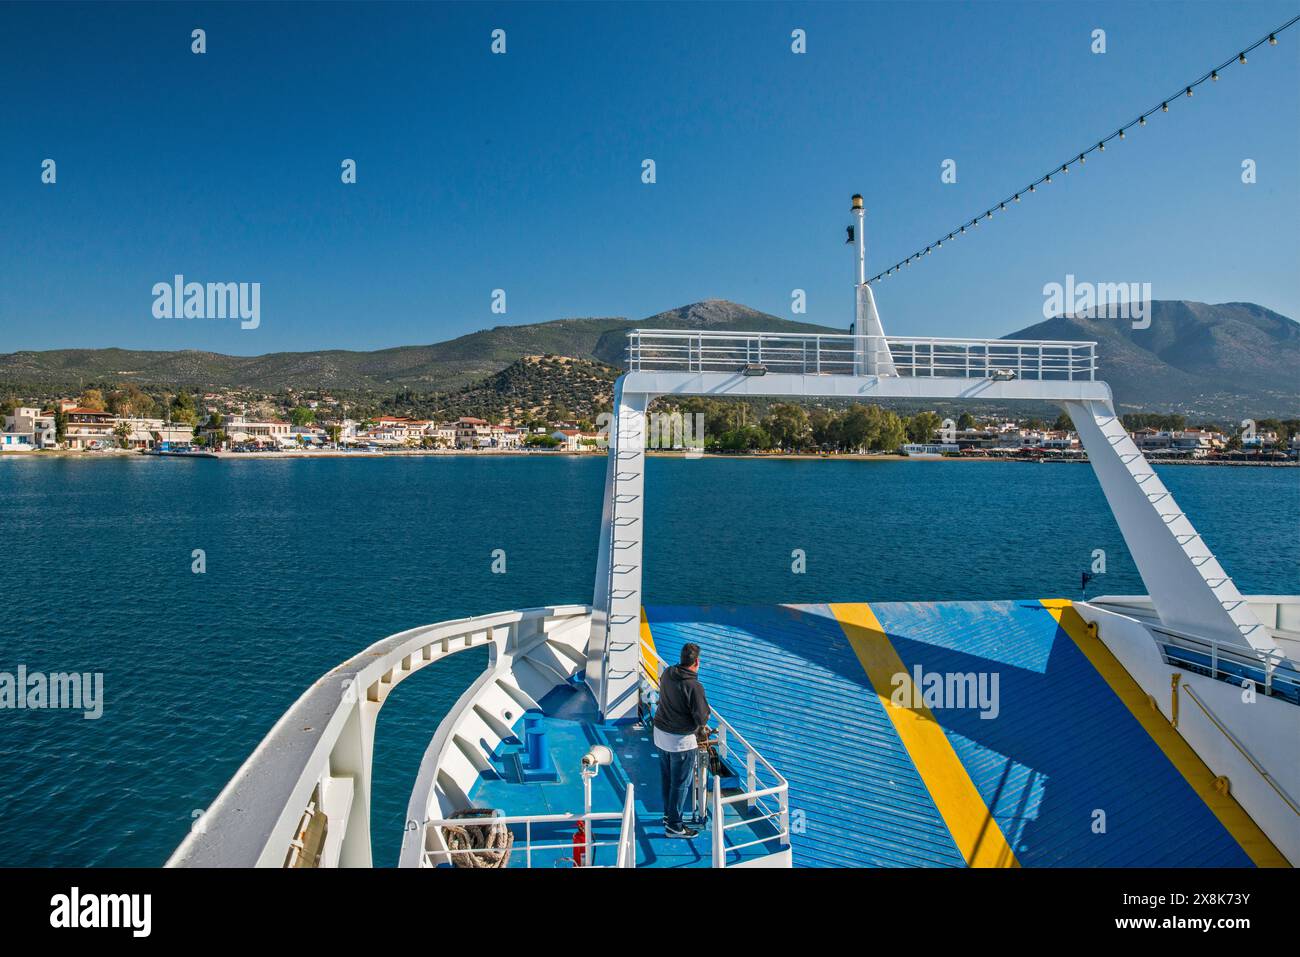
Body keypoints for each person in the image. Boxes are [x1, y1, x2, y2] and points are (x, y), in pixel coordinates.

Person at [653, 642, 710, 838]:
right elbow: (702, 718)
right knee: (680, 783)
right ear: (697, 662)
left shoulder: (668, 672)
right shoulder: (694, 686)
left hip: (660, 735)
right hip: (681, 741)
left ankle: (669, 816)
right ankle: (674, 826)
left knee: (667, 779)